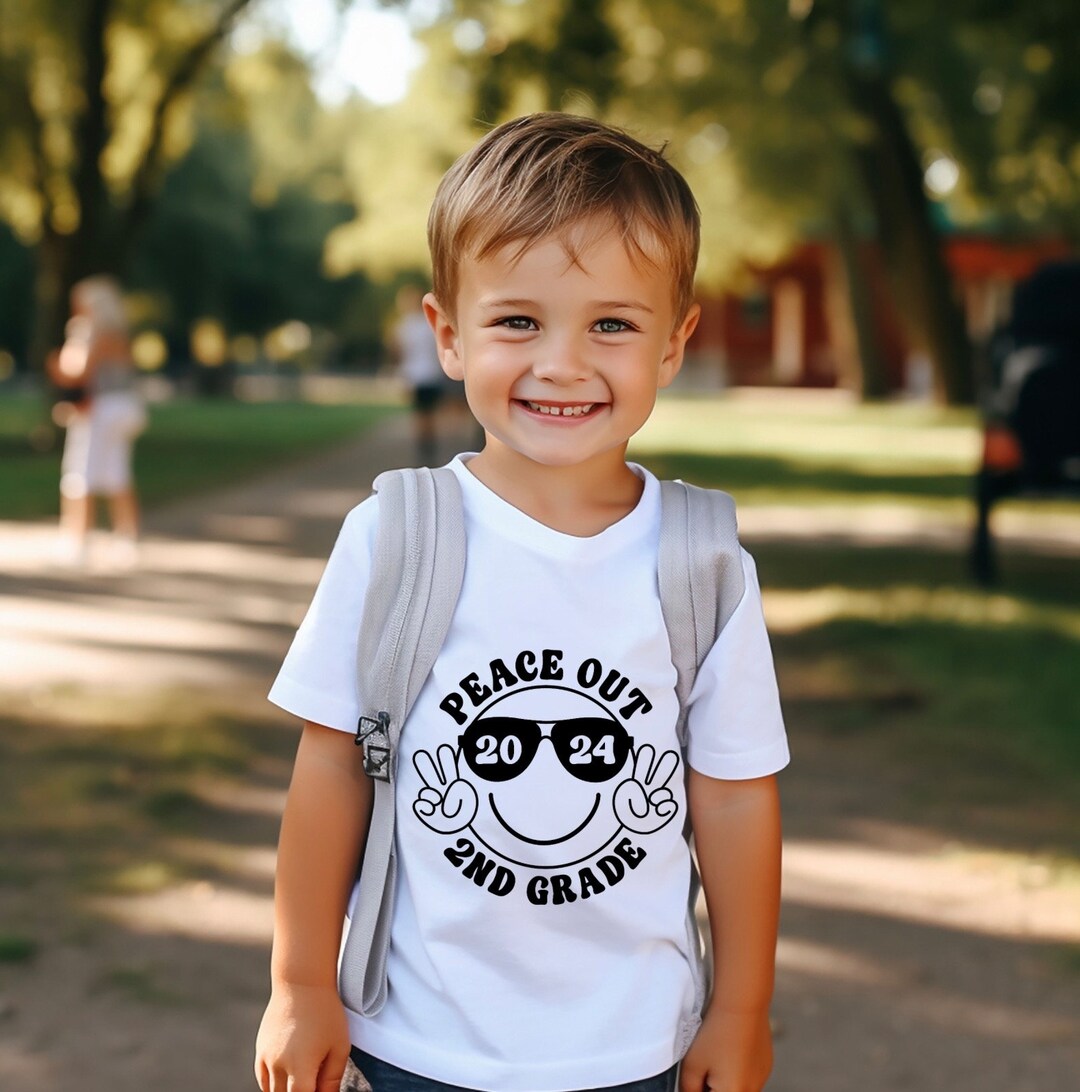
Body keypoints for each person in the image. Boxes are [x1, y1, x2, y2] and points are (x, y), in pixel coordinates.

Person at [256, 113, 788, 1092]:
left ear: (673, 345)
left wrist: (742, 1008)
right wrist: (300, 983)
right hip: (415, 1037)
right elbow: (332, 765)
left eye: (612, 325)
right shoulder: (394, 537)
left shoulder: (703, 562)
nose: (563, 363)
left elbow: (733, 794)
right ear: (448, 336)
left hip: (633, 1046)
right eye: (518, 322)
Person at [49, 275, 146, 566]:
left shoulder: (98, 334)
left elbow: (76, 372)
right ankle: (127, 538)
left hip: (102, 409)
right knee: (117, 474)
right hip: (123, 408)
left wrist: (60, 357)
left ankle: (78, 541)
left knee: (80, 475)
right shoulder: (119, 334)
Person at [391, 282, 446, 465]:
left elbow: (398, 354)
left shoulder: (403, 326)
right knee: (429, 414)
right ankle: (429, 447)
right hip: (432, 374)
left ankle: (424, 449)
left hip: (415, 376)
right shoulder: (429, 323)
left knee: (420, 415)